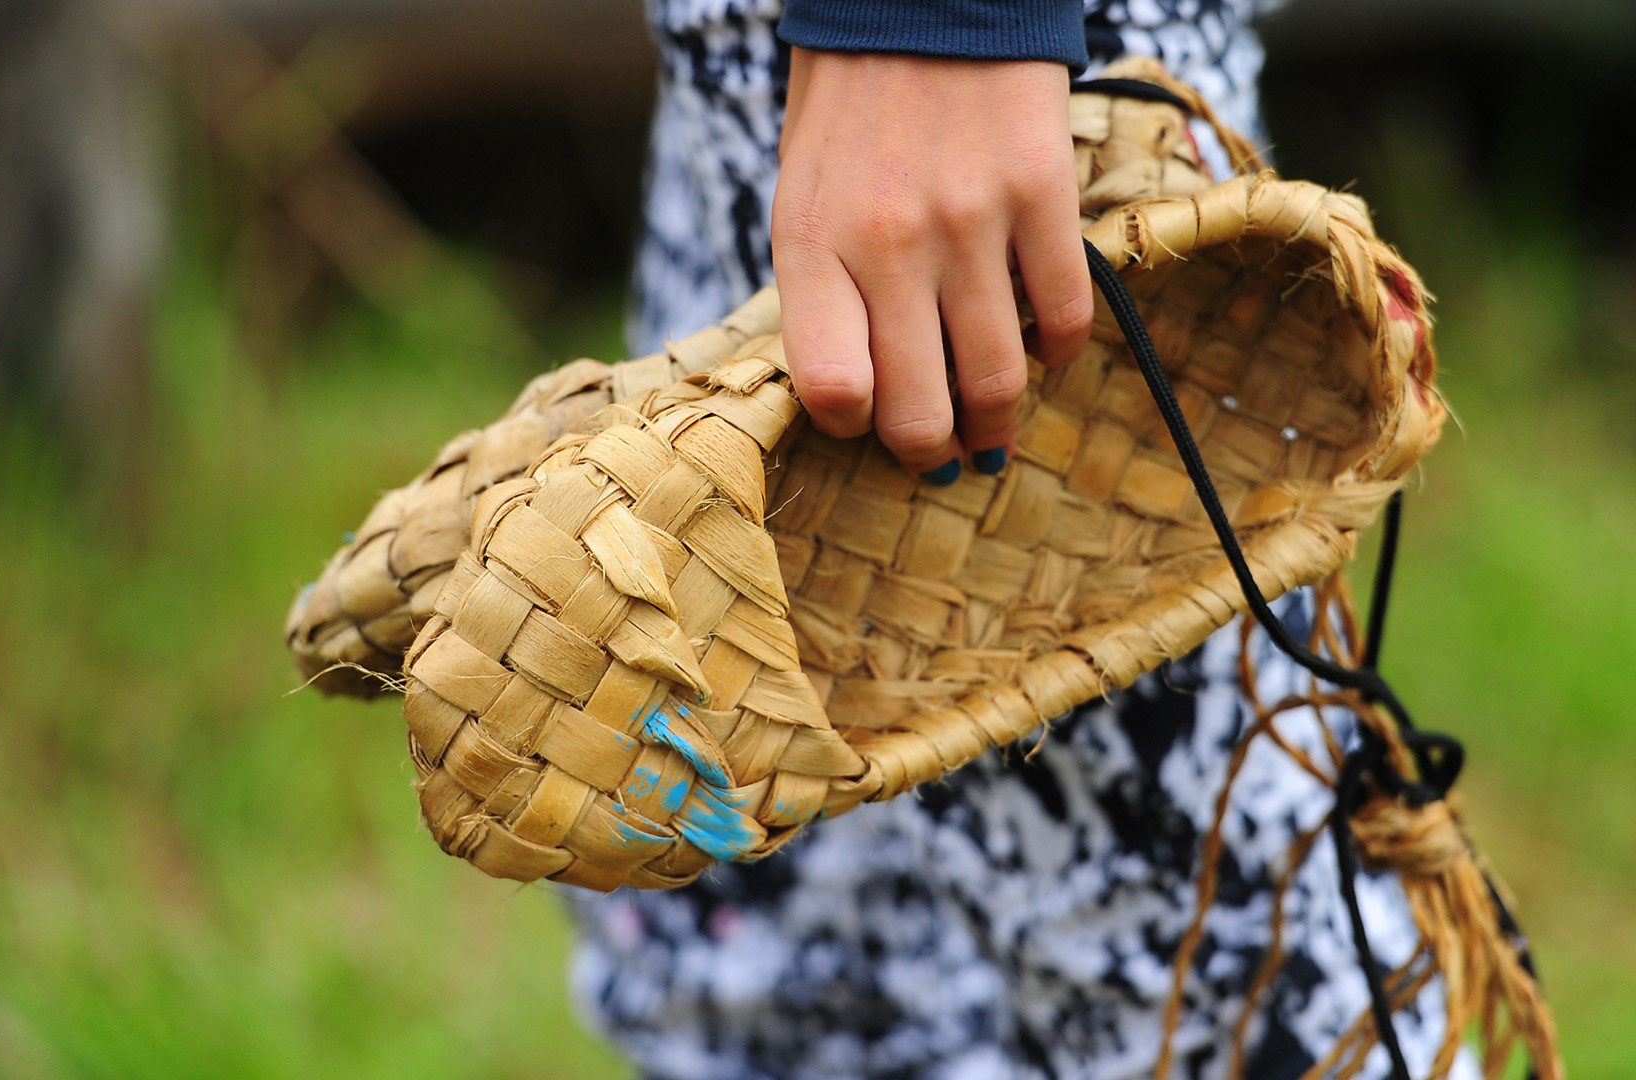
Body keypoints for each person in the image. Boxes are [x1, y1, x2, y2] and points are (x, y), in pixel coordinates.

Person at [570, 2, 1481, 1078]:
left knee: (1207, 973)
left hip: (967, 64)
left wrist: (935, 23)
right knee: (778, 964)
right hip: (780, 56)